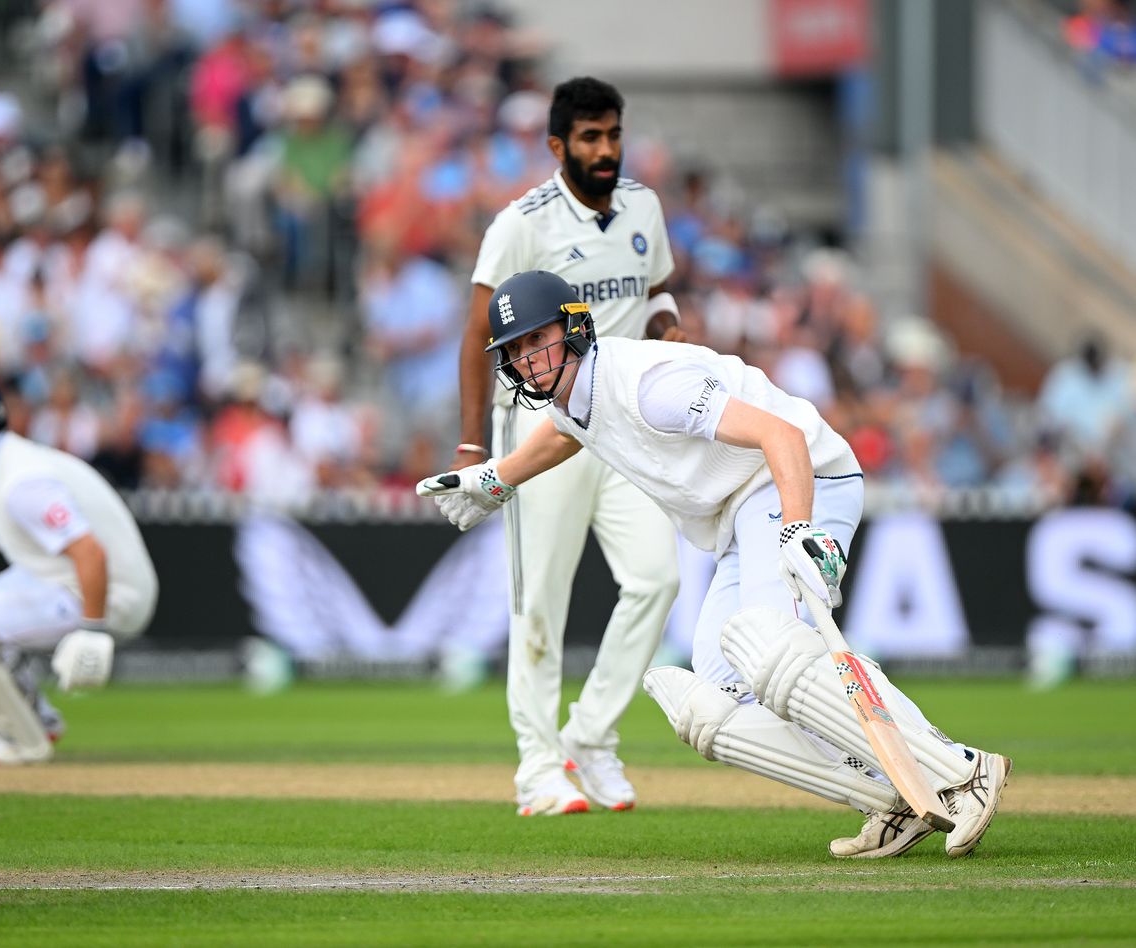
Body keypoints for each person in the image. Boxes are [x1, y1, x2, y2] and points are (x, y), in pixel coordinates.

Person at [420, 270, 1011, 858]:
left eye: (536, 339)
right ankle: (892, 797)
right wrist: (496, 479)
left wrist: (800, 528)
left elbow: (782, 435)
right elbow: (564, 434)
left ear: (574, 328)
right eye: (515, 350)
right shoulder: (578, 398)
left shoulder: (649, 385)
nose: (527, 359)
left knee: (771, 652)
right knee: (718, 697)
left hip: (801, 481)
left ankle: (961, 770)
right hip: (737, 514)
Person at [452, 77, 684, 816]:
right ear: (558, 147)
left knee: (656, 579)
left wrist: (667, 327)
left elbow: (655, 292)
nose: (605, 149)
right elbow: (476, 332)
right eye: (589, 137)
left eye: (612, 134)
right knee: (538, 602)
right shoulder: (522, 222)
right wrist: (469, 447)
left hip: (622, 421)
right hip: (539, 421)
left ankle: (588, 736)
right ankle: (536, 769)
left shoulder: (643, 206)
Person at [0, 372, 159, 765]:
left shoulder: (21, 483)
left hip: (111, 594)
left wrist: (92, 631)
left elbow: (90, 552)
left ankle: (24, 739)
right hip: (63, 582)